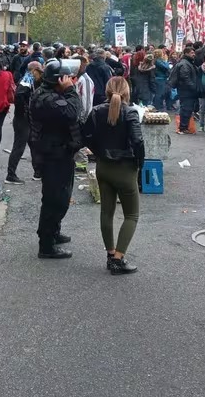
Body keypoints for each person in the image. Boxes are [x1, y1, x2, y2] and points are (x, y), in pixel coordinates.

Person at [81, 77, 143, 275]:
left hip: (103, 167)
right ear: (126, 92)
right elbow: (138, 141)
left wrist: (99, 152)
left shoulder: (97, 111)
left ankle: (110, 254)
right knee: (131, 215)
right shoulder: (131, 112)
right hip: (125, 168)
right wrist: (139, 164)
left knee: (106, 212)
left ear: (106, 91)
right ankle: (119, 258)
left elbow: (86, 135)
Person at [29, 59, 82, 260]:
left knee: (63, 195)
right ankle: (46, 244)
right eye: (67, 78)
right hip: (52, 156)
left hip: (61, 154)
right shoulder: (47, 99)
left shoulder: (51, 95)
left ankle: (54, 231)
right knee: (54, 199)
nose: (71, 81)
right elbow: (72, 112)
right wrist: (70, 90)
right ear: (59, 79)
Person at [7, 61, 43, 184]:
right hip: (22, 119)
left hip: (27, 118)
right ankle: (10, 175)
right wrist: (25, 110)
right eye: (39, 72)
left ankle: (38, 172)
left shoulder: (30, 80)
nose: (40, 75)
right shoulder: (27, 79)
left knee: (34, 144)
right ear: (34, 71)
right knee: (19, 147)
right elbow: (19, 95)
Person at [169, 47, 200, 135]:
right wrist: (193, 87)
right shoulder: (185, 64)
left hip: (186, 89)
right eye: (191, 53)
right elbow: (185, 77)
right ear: (186, 53)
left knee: (187, 108)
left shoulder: (187, 63)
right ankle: (183, 127)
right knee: (186, 108)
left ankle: (184, 127)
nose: (193, 54)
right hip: (186, 90)